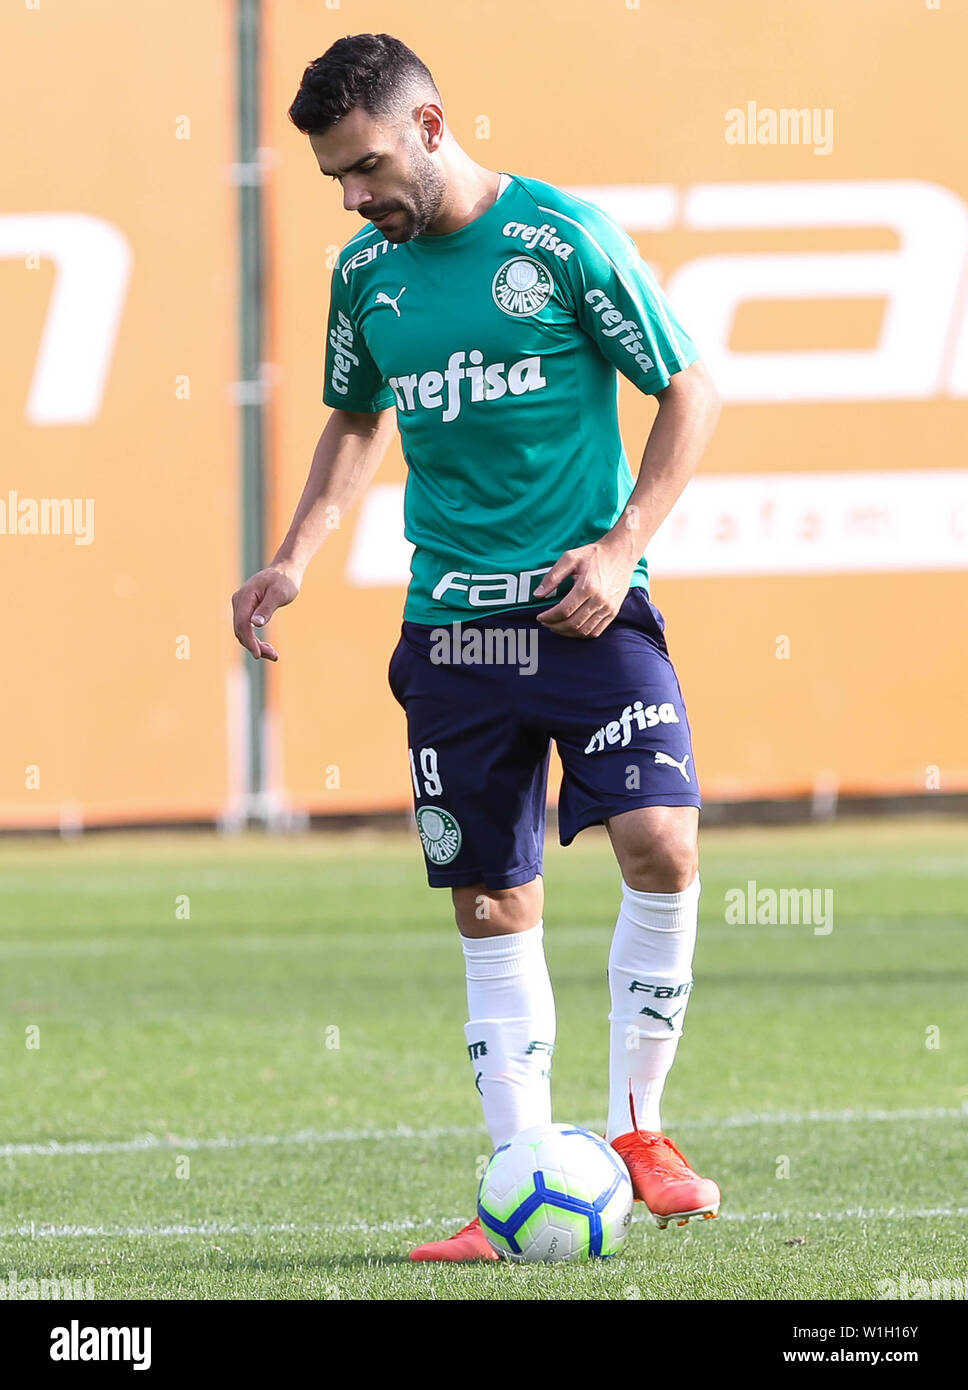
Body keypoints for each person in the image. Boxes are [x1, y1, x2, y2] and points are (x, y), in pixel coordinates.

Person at [231, 32, 723, 1262]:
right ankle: (513, 1179)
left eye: (367, 165)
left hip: (586, 611)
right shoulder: (366, 276)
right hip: (453, 633)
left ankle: (636, 1133)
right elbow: (354, 418)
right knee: (491, 900)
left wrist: (615, 553)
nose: (354, 196)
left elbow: (689, 390)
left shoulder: (558, 239)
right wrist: (294, 553)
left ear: (433, 126)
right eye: (336, 178)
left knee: (660, 842)